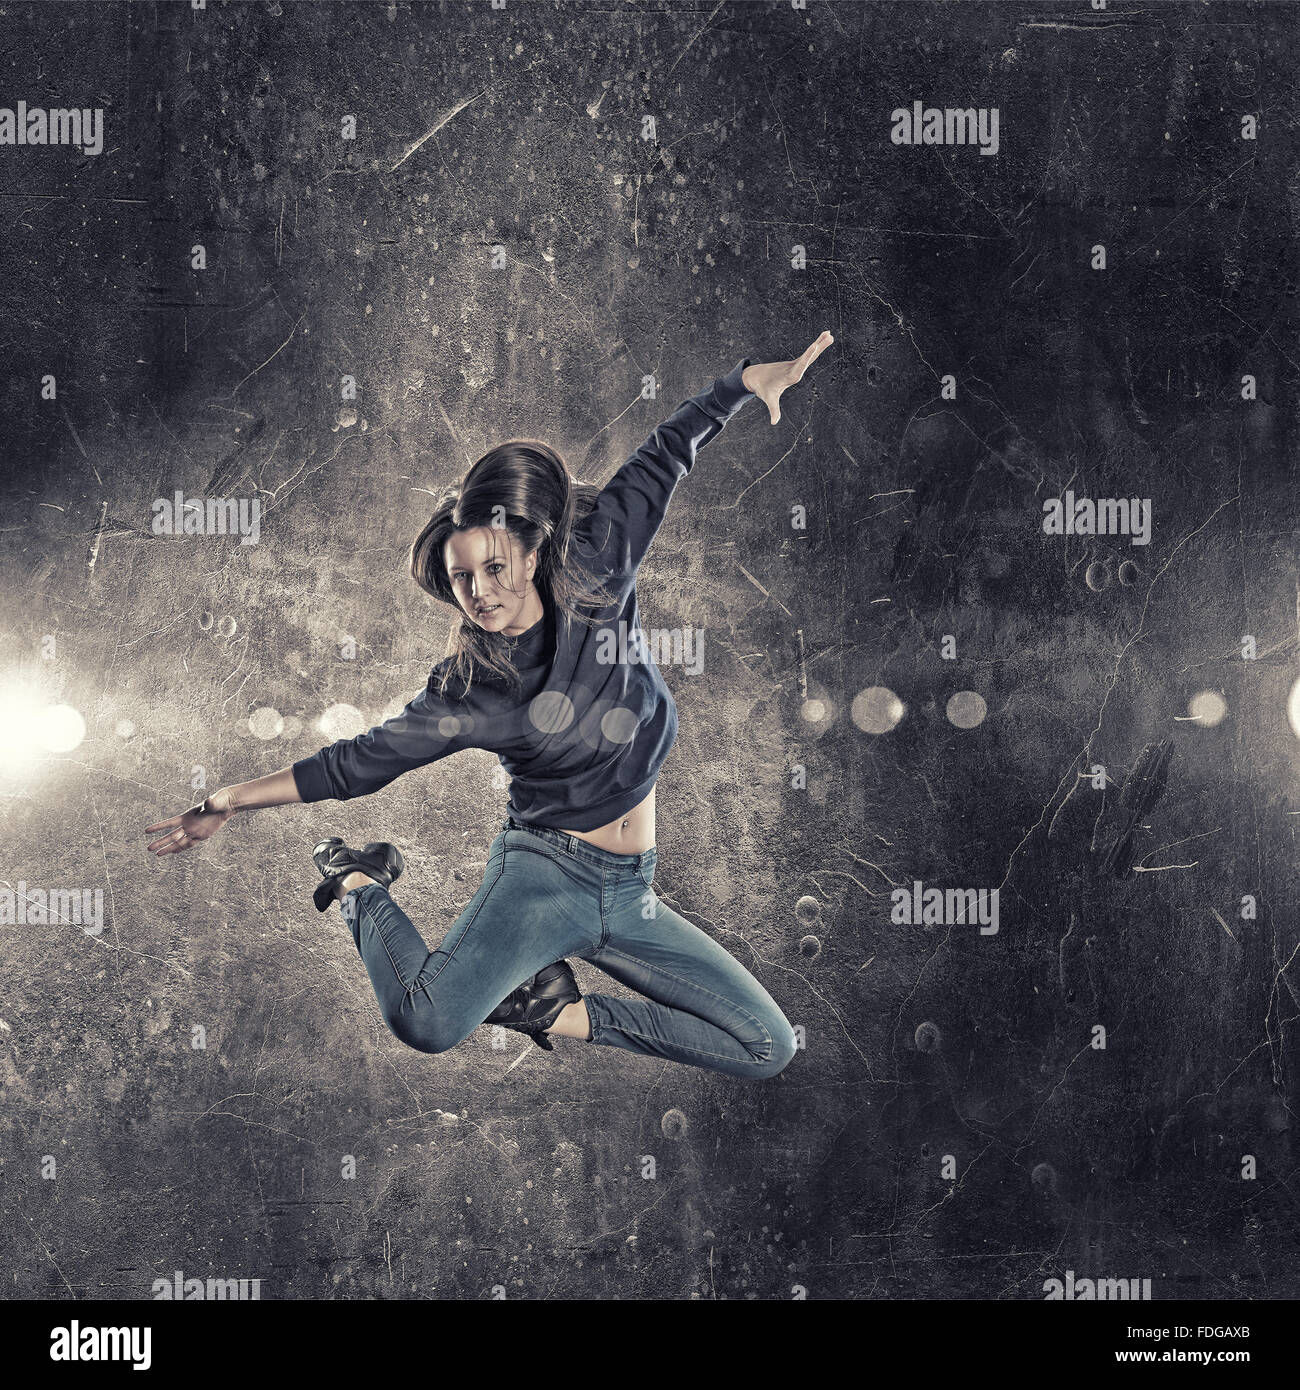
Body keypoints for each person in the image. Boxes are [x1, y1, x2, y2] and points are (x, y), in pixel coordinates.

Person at [145, 333, 834, 1078]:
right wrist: (228, 799)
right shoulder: (472, 687)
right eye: (461, 578)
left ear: (532, 554)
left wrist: (741, 383)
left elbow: (666, 453)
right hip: (545, 876)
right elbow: (355, 764)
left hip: (632, 891)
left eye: (495, 566)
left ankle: (553, 1011)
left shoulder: (600, 562)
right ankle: (356, 878)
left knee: (768, 1046)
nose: (481, 592)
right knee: (426, 1019)